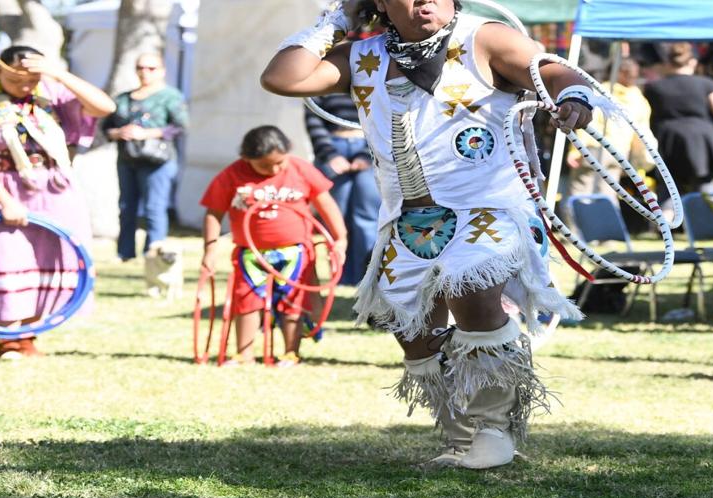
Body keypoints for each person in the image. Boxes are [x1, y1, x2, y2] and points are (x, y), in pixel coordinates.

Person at [261, 0, 590, 470]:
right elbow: (282, 78)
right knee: (411, 329)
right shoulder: (363, 56)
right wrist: (336, 20)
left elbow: (556, 71)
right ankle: (460, 435)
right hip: (410, 220)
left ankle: (494, 427)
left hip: (489, 206)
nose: (424, 1)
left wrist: (573, 99)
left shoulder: (485, 37)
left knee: (472, 287)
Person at [0, 46, 114, 359]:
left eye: (32, 79)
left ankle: (29, 335)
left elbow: (104, 107)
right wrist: (5, 201)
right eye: (16, 79)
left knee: (52, 258)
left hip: (55, 189)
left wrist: (58, 74)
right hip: (3, 190)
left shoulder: (53, 100)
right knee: (8, 257)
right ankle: (8, 337)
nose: (24, 86)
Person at [199, 126, 346, 368]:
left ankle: (290, 353)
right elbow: (213, 213)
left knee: (293, 302)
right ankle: (243, 354)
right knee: (246, 302)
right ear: (246, 158)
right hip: (250, 253)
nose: (274, 170)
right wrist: (210, 250)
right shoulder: (233, 175)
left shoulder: (300, 169)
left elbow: (326, 205)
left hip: (295, 252)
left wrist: (340, 239)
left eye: (279, 163)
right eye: (265, 166)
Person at [103, 51, 188, 261]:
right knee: (126, 207)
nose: (145, 73)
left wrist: (148, 133)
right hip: (127, 157)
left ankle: (153, 252)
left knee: (154, 208)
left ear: (162, 71)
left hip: (156, 160)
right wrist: (119, 132)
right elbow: (106, 126)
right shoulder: (123, 98)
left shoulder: (170, 96)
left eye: (151, 68)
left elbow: (181, 126)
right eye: (141, 68)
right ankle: (124, 252)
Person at [562, 57, 653, 225]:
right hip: (619, 151)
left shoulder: (599, 91)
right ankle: (607, 232)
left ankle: (576, 231)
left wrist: (575, 150)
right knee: (609, 193)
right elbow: (641, 131)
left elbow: (586, 122)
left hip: (593, 147)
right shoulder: (638, 98)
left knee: (580, 192)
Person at [305, 90, 379, 285]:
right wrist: (329, 155)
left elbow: (382, 116)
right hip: (333, 145)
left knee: (367, 216)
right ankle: (341, 277)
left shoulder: (370, 73)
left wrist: (367, 153)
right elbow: (313, 119)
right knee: (337, 215)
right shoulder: (321, 79)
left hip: (369, 144)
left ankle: (368, 275)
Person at [642, 42, 713, 198]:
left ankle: (664, 222)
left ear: (668, 62)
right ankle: (700, 221)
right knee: (704, 195)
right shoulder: (707, 84)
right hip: (702, 143)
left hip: (668, 142)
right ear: (693, 62)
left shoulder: (653, 88)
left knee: (669, 194)